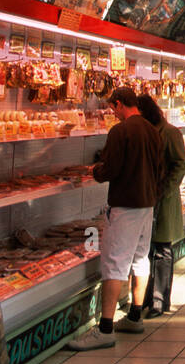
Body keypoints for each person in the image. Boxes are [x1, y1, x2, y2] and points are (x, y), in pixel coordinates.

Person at [67, 87, 163, 350]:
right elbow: (160, 169)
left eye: (112, 108)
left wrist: (95, 170)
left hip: (125, 206)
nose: (112, 113)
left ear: (119, 104)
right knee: (140, 258)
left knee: (114, 263)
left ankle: (105, 327)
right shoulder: (153, 131)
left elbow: (110, 169)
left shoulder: (120, 131)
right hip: (147, 205)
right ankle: (134, 316)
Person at [137, 93, 185, 318]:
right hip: (146, 199)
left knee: (162, 250)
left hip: (163, 202)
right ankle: (146, 297)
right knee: (147, 252)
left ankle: (159, 300)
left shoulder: (169, 133)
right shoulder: (145, 132)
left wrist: (163, 190)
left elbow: (180, 165)